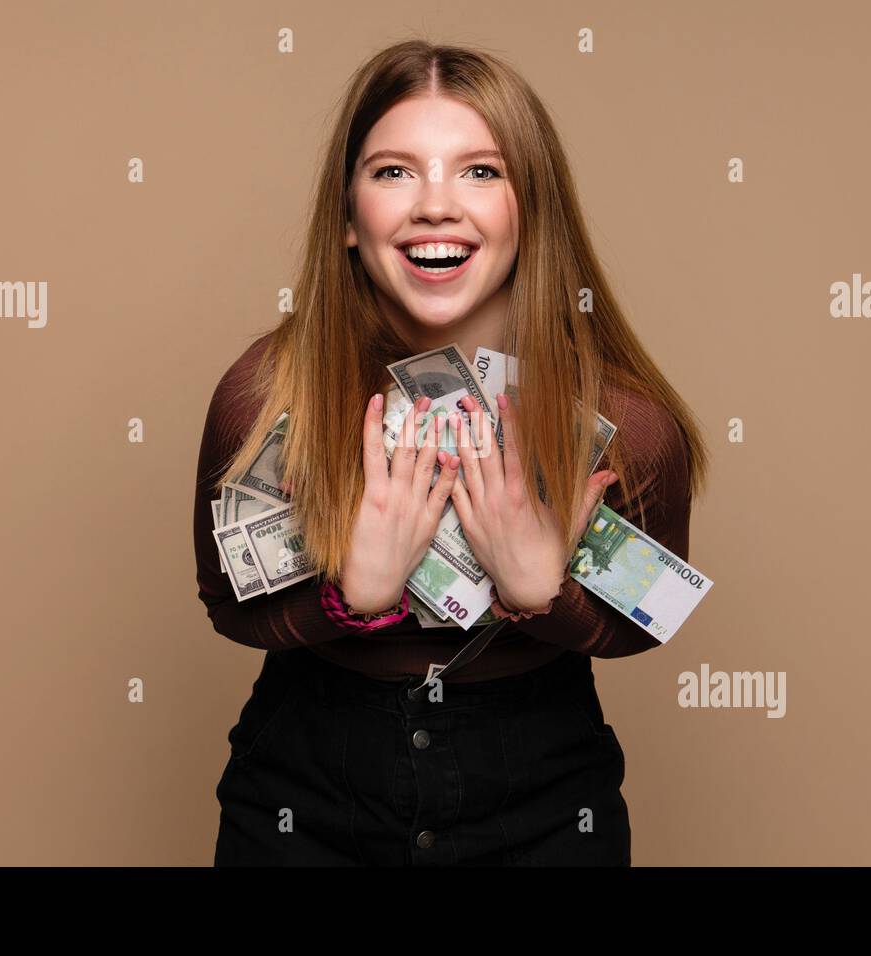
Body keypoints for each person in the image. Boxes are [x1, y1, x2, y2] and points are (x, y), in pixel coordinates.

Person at [193, 39, 709, 866]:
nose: (436, 205)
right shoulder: (264, 397)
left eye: (480, 171)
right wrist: (350, 598)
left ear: (532, 211)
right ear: (349, 219)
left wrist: (546, 593)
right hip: (304, 793)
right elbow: (224, 602)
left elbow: (653, 620)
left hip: (542, 800)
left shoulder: (629, 426)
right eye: (394, 171)